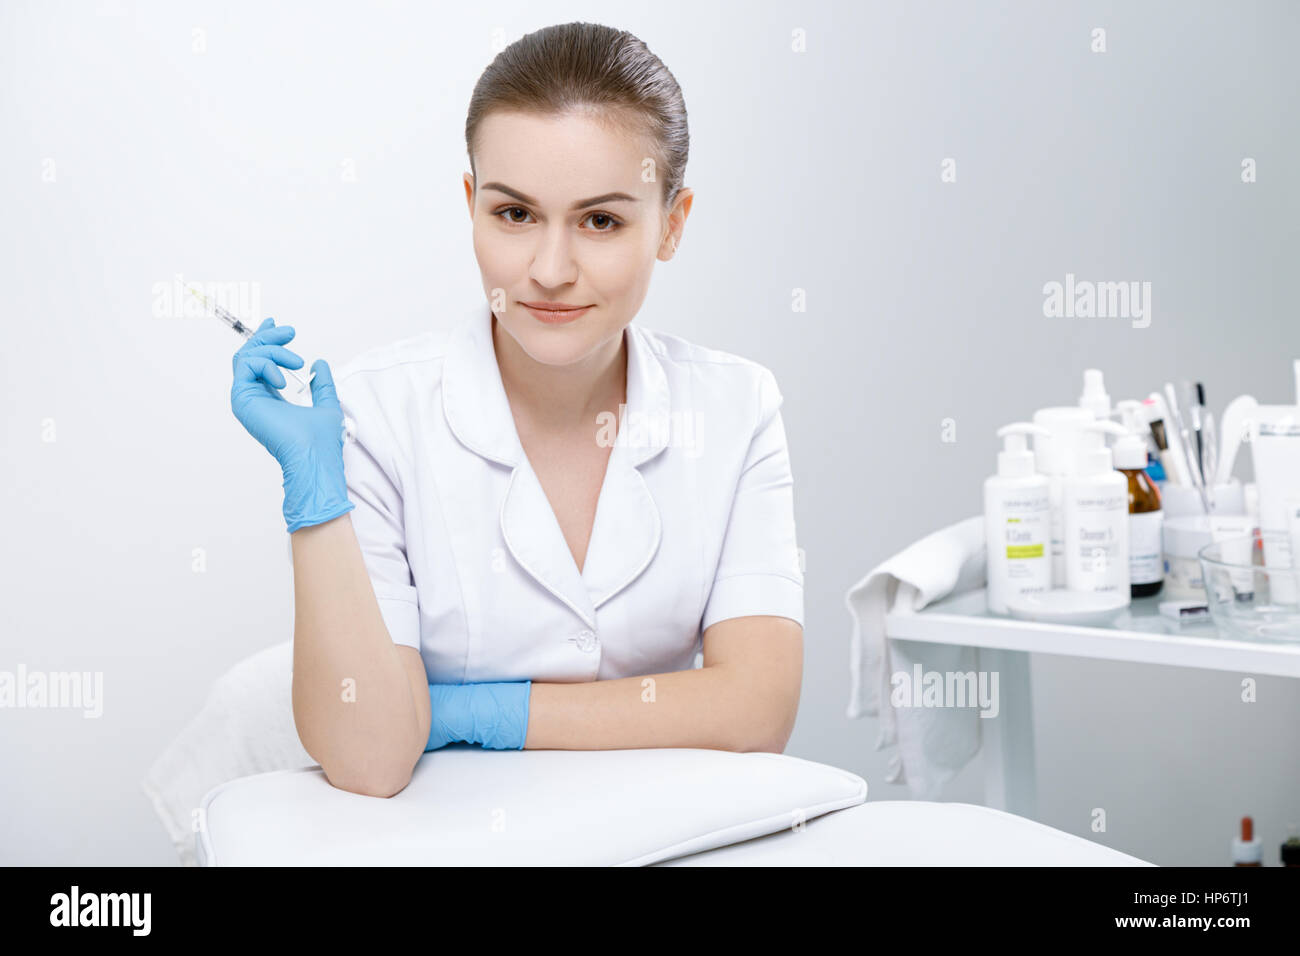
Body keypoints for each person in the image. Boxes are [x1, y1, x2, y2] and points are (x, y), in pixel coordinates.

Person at [231, 21, 804, 798]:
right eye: (514, 215)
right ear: (471, 204)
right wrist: (315, 504)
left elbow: (757, 707)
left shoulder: (735, 408)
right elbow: (371, 758)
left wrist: (484, 713)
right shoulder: (377, 412)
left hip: (649, 830)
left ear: (672, 223)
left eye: (601, 220)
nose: (550, 270)